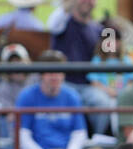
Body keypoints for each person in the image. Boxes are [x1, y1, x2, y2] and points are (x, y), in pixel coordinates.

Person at [15, 50, 88, 149]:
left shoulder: (72, 96)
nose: (55, 76)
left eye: (59, 72)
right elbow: (22, 136)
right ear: (42, 75)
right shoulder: (27, 96)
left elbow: (79, 132)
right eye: (50, 72)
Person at [45, 0, 114, 136]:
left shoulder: (99, 29)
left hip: (90, 85)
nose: (87, 2)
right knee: (69, 101)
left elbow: (110, 58)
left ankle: (95, 141)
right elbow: (52, 23)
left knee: (104, 103)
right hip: (63, 82)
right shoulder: (62, 23)